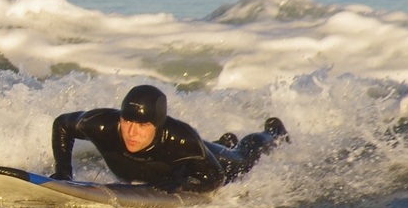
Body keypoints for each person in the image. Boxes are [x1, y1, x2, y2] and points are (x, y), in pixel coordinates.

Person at [51, 83, 285, 194]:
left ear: (158, 126)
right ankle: (224, 141)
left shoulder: (181, 139)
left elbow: (216, 178)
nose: (131, 133)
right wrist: (63, 172)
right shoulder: (102, 124)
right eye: (127, 122)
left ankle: (272, 133)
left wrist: (185, 184)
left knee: (241, 159)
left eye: (142, 125)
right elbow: (62, 124)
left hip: (207, 159)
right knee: (210, 151)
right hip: (194, 155)